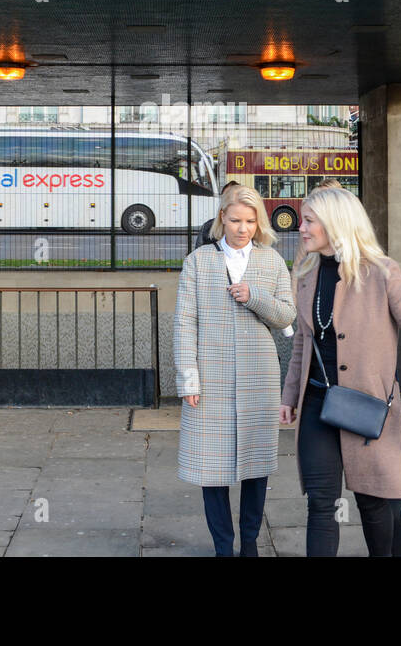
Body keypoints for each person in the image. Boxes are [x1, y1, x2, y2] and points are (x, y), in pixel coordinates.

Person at [281, 186, 401, 557]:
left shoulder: (381, 274)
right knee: (321, 505)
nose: (301, 229)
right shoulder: (306, 272)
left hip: (368, 410)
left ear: (335, 223)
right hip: (317, 406)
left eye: (309, 221)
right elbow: (303, 343)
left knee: (374, 503)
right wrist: (289, 396)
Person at [174, 183, 296, 556]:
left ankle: (250, 545)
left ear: (258, 221)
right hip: (211, 380)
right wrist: (188, 379)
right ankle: (223, 547)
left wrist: (254, 296)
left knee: (256, 466)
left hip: (258, 379)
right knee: (212, 470)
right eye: (235, 219)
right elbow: (184, 323)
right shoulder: (198, 261)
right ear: (221, 219)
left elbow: (287, 315)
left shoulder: (272, 261)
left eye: (249, 220)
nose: (242, 228)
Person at [194, 180, 239, 248]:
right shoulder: (208, 227)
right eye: (225, 197)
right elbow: (198, 253)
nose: (228, 201)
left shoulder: (249, 228)